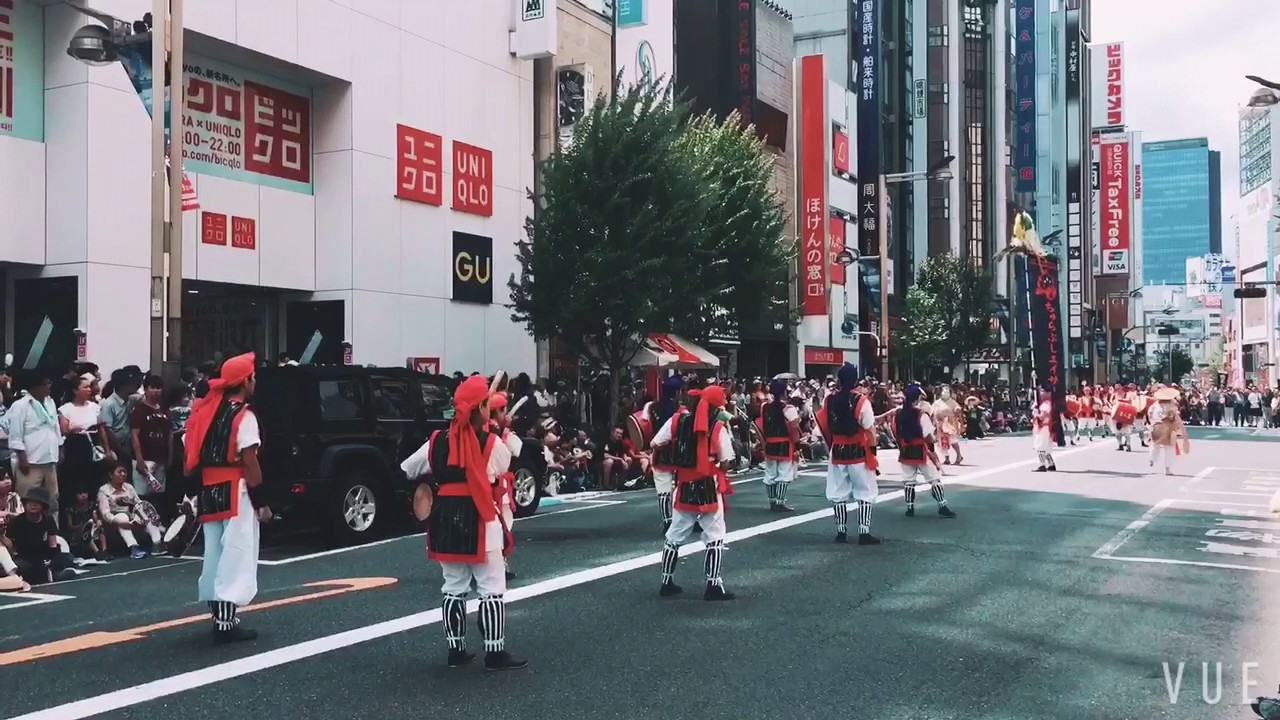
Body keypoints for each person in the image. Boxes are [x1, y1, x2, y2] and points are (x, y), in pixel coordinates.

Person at [401, 375, 526, 670]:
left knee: (453, 585)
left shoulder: (437, 440)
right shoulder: (492, 442)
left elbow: (409, 468)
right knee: (491, 586)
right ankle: (494, 653)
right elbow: (504, 465)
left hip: (445, 517)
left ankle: (455, 651)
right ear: (482, 408)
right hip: (480, 517)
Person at [183, 352, 270, 643]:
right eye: (253, 377)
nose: (255, 381)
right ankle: (225, 622)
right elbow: (250, 460)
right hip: (236, 489)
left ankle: (220, 617)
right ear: (245, 381)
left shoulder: (209, 410)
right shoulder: (243, 416)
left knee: (215, 554)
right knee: (236, 554)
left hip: (210, 488)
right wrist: (262, 501)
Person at [651, 384, 736, 601]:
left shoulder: (677, 421)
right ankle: (713, 585)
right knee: (715, 536)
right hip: (708, 485)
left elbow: (655, 442)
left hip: (684, 485)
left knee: (674, 535)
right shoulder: (718, 427)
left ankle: (666, 581)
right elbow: (726, 461)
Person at [818, 363, 880, 545]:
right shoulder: (861, 401)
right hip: (858, 450)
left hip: (837, 449)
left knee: (837, 491)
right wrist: (874, 451)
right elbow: (869, 428)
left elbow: (824, 425)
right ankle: (864, 532)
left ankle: (841, 531)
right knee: (865, 490)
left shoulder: (829, 399)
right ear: (855, 380)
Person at [8, 370, 65, 520]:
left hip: (50, 459)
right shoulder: (20, 406)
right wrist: (22, 457)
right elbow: (15, 435)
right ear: (35, 387)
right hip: (31, 461)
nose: (49, 387)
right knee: (27, 501)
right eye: (46, 384)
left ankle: (52, 535)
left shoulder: (50, 402)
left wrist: (60, 448)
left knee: (52, 501)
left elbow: (55, 427)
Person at [895, 385, 956, 519]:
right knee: (934, 478)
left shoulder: (899, 413)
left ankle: (910, 507)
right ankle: (942, 505)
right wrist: (932, 441)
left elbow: (895, 431)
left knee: (908, 480)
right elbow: (928, 435)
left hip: (905, 450)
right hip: (920, 450)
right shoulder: (921, 414)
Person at [7, 487, 77, 584]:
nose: (33, 504)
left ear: (43, 506)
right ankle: (51, 575)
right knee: (21, 565)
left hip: (44, 557)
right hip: (25, 557)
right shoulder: (17, 522)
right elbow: (11, 546)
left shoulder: (48, 520)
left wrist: (50, 559)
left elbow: (52, 544)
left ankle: (52, 573)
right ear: (25, 504)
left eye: (37, 502)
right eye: (30, 501)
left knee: (68, 557)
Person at [487, 391, 523, 582]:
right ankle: (498, 566)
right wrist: (507, 430)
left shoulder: (478, 431)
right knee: (503, 526)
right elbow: (517, 450)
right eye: (503, 410)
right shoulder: (499, 434)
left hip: (482, 488)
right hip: (498, 487)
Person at [98, 460, 164, 559]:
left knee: (145, 514)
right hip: (114, 521)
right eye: (119, 472)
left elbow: (139, 503)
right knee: (122, 517)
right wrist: (119, 522)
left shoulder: (129, 487)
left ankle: (157, 543)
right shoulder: (104, 490)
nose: (123, 474)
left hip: (131, 516)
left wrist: (147, 515)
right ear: (111, 475)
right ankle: (134, 548)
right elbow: (105, 513)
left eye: (124, 472)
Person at [647, 376, 684, 532]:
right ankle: (686, 518)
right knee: (681, 486)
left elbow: (644, 426)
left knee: (663, 490)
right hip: (679, 452)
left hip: (660, 452)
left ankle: (667, 521)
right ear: (676, 392)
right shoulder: (680, 410)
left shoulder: (652, 407)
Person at [756, 378, 799, 512]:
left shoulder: (765, 407)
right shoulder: (789, 409)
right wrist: (798, 446)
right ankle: (780, 502)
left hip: (769, 444)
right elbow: (794, 429)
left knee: (770, 473)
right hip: (785, 444)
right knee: (784, 473)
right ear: (784, 393)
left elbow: (762, 426)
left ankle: (772, 501)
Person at [1148, 387, 1186, 475]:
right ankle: (1167, 468)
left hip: (1156, 427)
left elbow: (1149, 414)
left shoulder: (1155, 405)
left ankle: (1152, 459)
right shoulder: (1172, 405)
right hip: (1169, 429)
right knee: (1169, 449)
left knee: (1155, 446)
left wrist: (1152, 423)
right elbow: (1174, 417)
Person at [932, 385, 964, 465]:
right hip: (939, 423)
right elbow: (932, 412)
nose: (945, 393)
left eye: (947, 391)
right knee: (941, 442)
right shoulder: (937, 402)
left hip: (950, 423)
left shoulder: (952, 402)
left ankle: (959, 455)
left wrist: (962, 423)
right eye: (944, 391)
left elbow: (959, 411)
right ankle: (947, 458)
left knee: (953, 440)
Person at [1032, 385, 1058, 472]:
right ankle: (1051, 464)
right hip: (1048, 428)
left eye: (1043, 392)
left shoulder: (1046, 404)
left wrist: (1036, 414)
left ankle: (1042, 464)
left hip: (1044, 427)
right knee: (1046, 448)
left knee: (1040, 447)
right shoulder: (1050, 403)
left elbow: (1042, 416)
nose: (1041, 393)